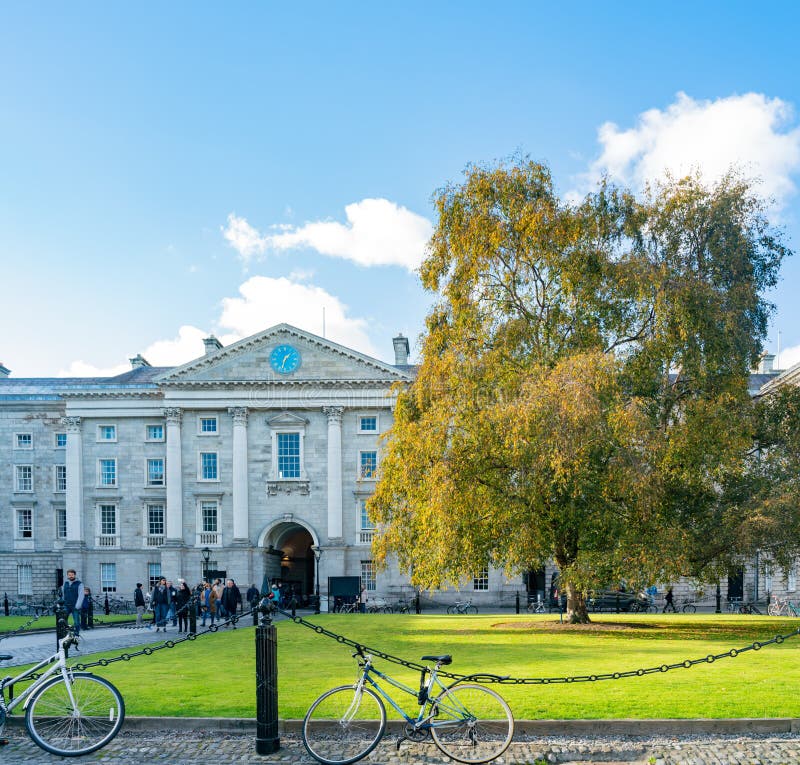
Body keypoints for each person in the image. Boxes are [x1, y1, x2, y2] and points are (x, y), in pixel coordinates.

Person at [61, 568, 84, 636]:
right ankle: (65, 634)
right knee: (63, 621)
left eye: (72, 575)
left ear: (75, 575)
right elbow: (63, 594)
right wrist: (61, 604)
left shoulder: (79, 584)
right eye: (69, 575)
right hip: (66, 605)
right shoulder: (65, 583)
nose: (70, 576)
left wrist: (78, 606)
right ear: (67, 576)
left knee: (76, 622)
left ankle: (76, 635)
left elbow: (81, 595)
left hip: (75, 606)